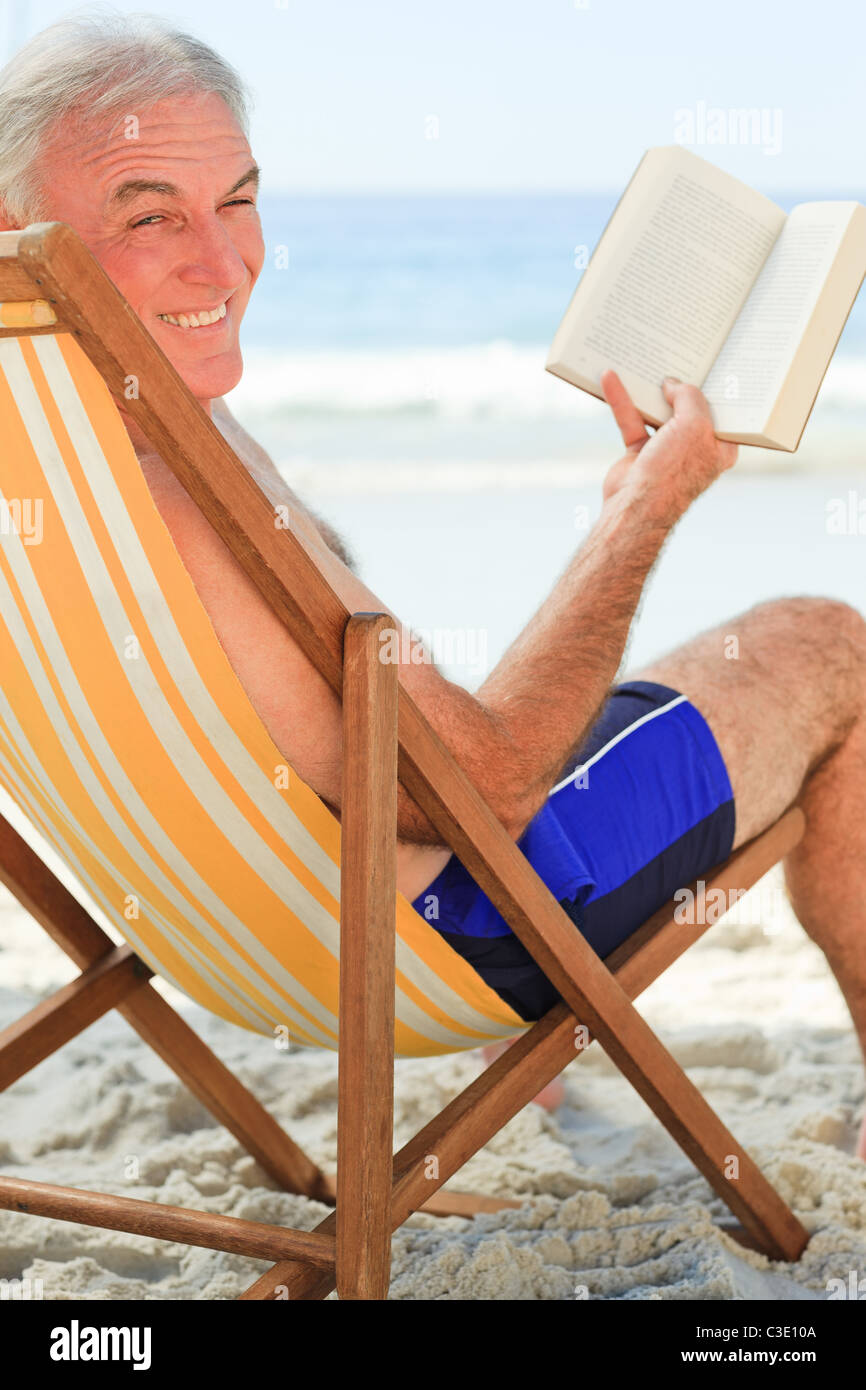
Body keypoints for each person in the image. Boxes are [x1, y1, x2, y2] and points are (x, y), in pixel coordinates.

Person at [1, 13, 865, 1149]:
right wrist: (641, 513)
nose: (222, 263)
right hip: (445, 936)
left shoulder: (62, 442)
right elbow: (490, 788)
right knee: (824, 645)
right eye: (149, 213)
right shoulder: (171, 484)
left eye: (240, 201)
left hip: (210, 937)